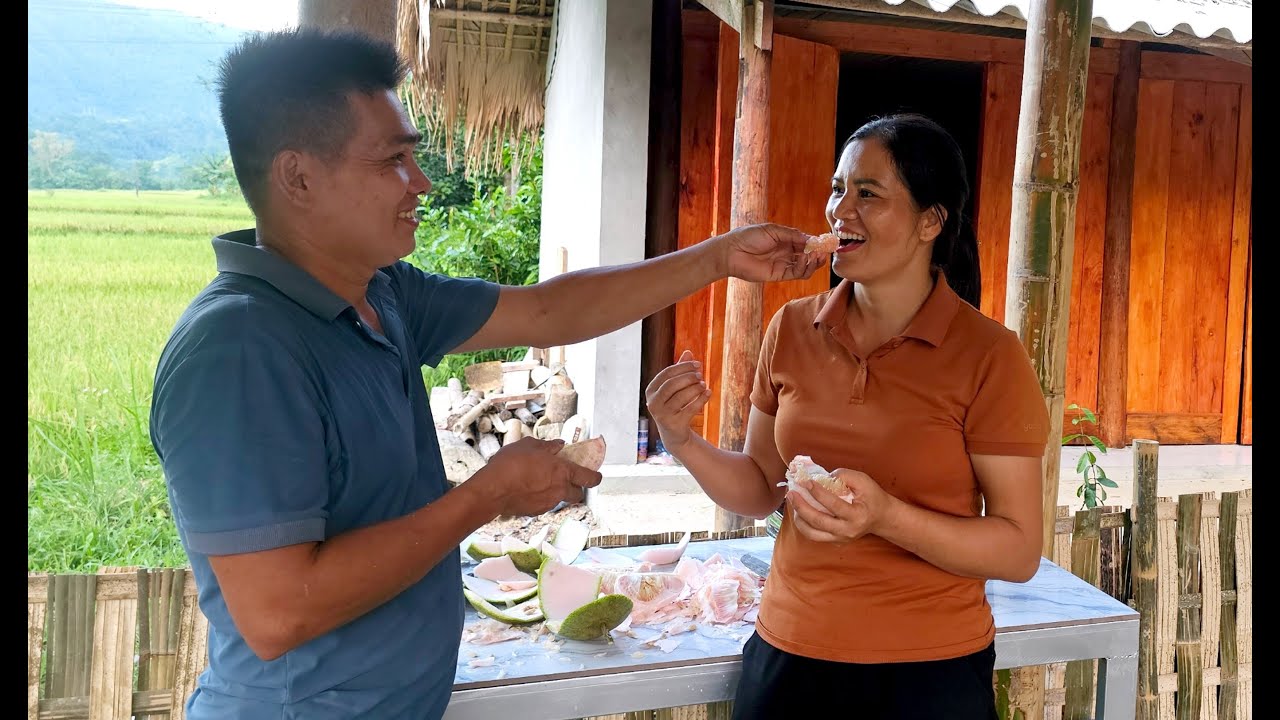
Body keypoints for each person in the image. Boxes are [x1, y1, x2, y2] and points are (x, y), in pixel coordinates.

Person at [147, 28, 826, 720]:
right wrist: (486, 495)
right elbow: (278, 612)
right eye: (393, 161)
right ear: (298, 177)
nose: (422, 182)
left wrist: (717, 258)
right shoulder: (238, 351)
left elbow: (545, 311)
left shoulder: (381, 293)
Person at [645, 114, 1050, 719]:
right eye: (838, 189)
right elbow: (760, 489)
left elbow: (1018, 551)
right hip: (789, 654)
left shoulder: (990, 355)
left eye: (868, 194)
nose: (840, 210)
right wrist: (681, 439)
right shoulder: (791, 328)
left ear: (930, 222)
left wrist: (884, 516)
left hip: (930, 673)